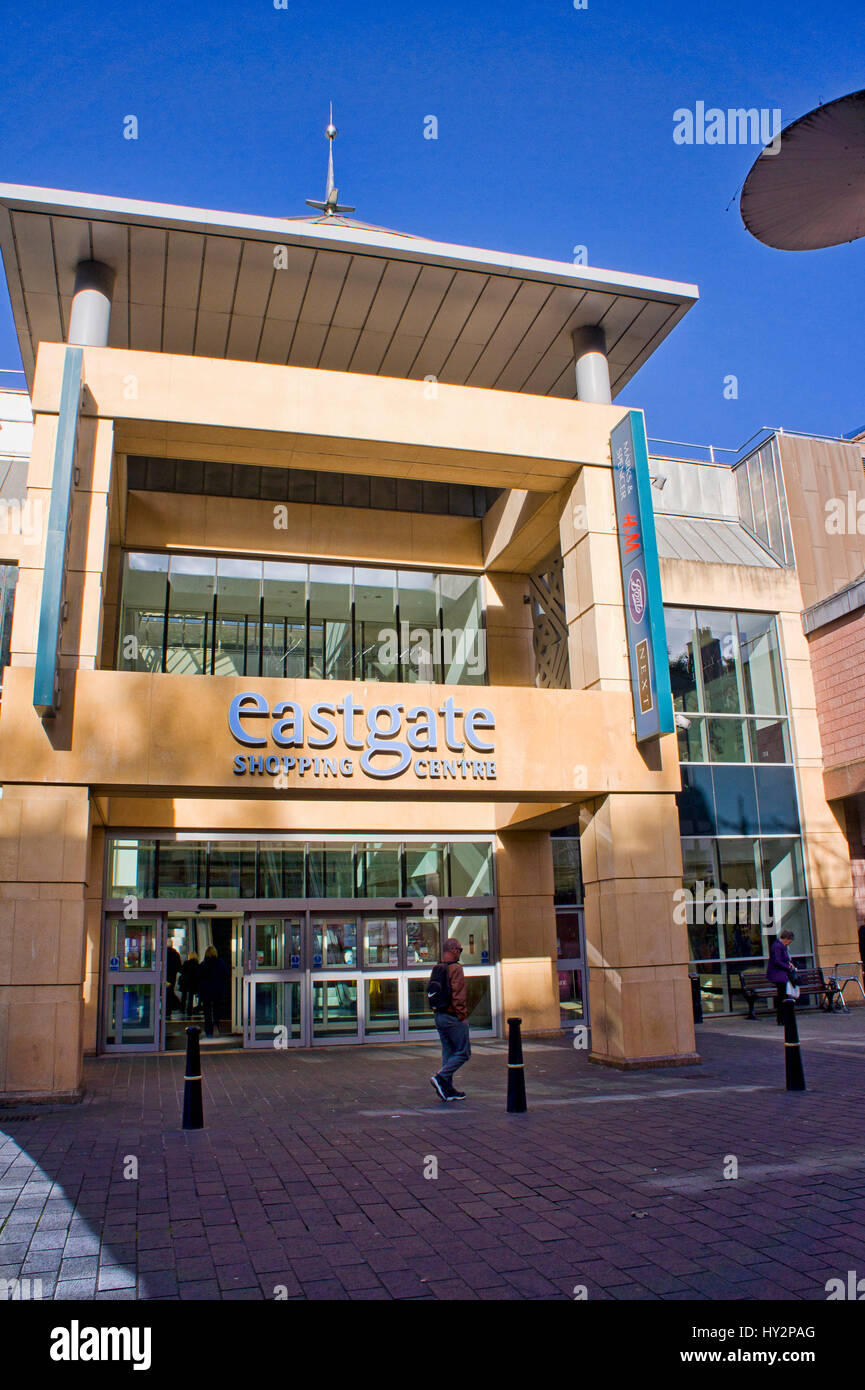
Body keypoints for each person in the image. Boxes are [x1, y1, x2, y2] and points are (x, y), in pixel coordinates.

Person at [429, 938, 470, 1102]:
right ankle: (441, 1078)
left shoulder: (437, 967)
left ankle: (447, 1089)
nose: (460, 952)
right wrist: (462, 1016)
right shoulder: (455, 969)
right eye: (459, 949)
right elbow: (458, 995)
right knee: (463, 1052)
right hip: (453, 1016)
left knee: (448, 1052)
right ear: (453, 950)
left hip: (439, 1015)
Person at [767, 928, 797, 1025]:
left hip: (781, 974)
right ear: (786, 939)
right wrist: (788, 966)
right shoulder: (777, 946)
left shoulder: (780, 946)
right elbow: (777, 961)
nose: (789, 943)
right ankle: (781, 1019)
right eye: (789, 941)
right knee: (782, 997)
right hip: (778, 975)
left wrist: (789, 963)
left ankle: (783, 1017)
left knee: (783, 996)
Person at [197, 946, 229, 1037]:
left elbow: (199, 977)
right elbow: (225, 975)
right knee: (216, 1009)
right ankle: (216, 1026)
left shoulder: (203, 964)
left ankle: (208, 1031)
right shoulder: (220, 963)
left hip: (206, 991)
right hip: (217, 990)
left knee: (207, 1012)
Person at [178, 952, 200, 1018]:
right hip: (193, 982)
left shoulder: (186, 963)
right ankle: (189, 1010)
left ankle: (182, 1009)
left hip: (185, 982)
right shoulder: (197, 964)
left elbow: (181, 970)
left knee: (184, 996)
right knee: (190, 997)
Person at [165, 940, 183, 1018]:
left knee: (166, 992)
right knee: (170, 991)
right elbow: (179, 967)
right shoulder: (176, 954)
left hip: (164, 975)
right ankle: (170, 1008)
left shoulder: (163, 954)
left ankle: (169, 1008)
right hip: (172, 976)